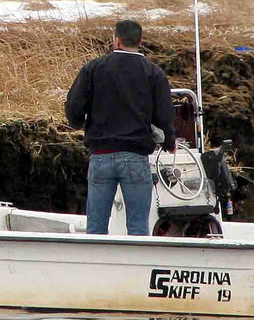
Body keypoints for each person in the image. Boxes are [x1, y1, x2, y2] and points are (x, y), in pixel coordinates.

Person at [65, 20, 175, 235]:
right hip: (135, 157)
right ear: (140, 41)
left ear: (116, 40)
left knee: (95, 228)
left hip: (101, 156)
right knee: (138, 228)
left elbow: (74, 105)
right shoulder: (154, 73)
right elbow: (164, 114)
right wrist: (169, 141)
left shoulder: (93, 68)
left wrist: (78, 123)